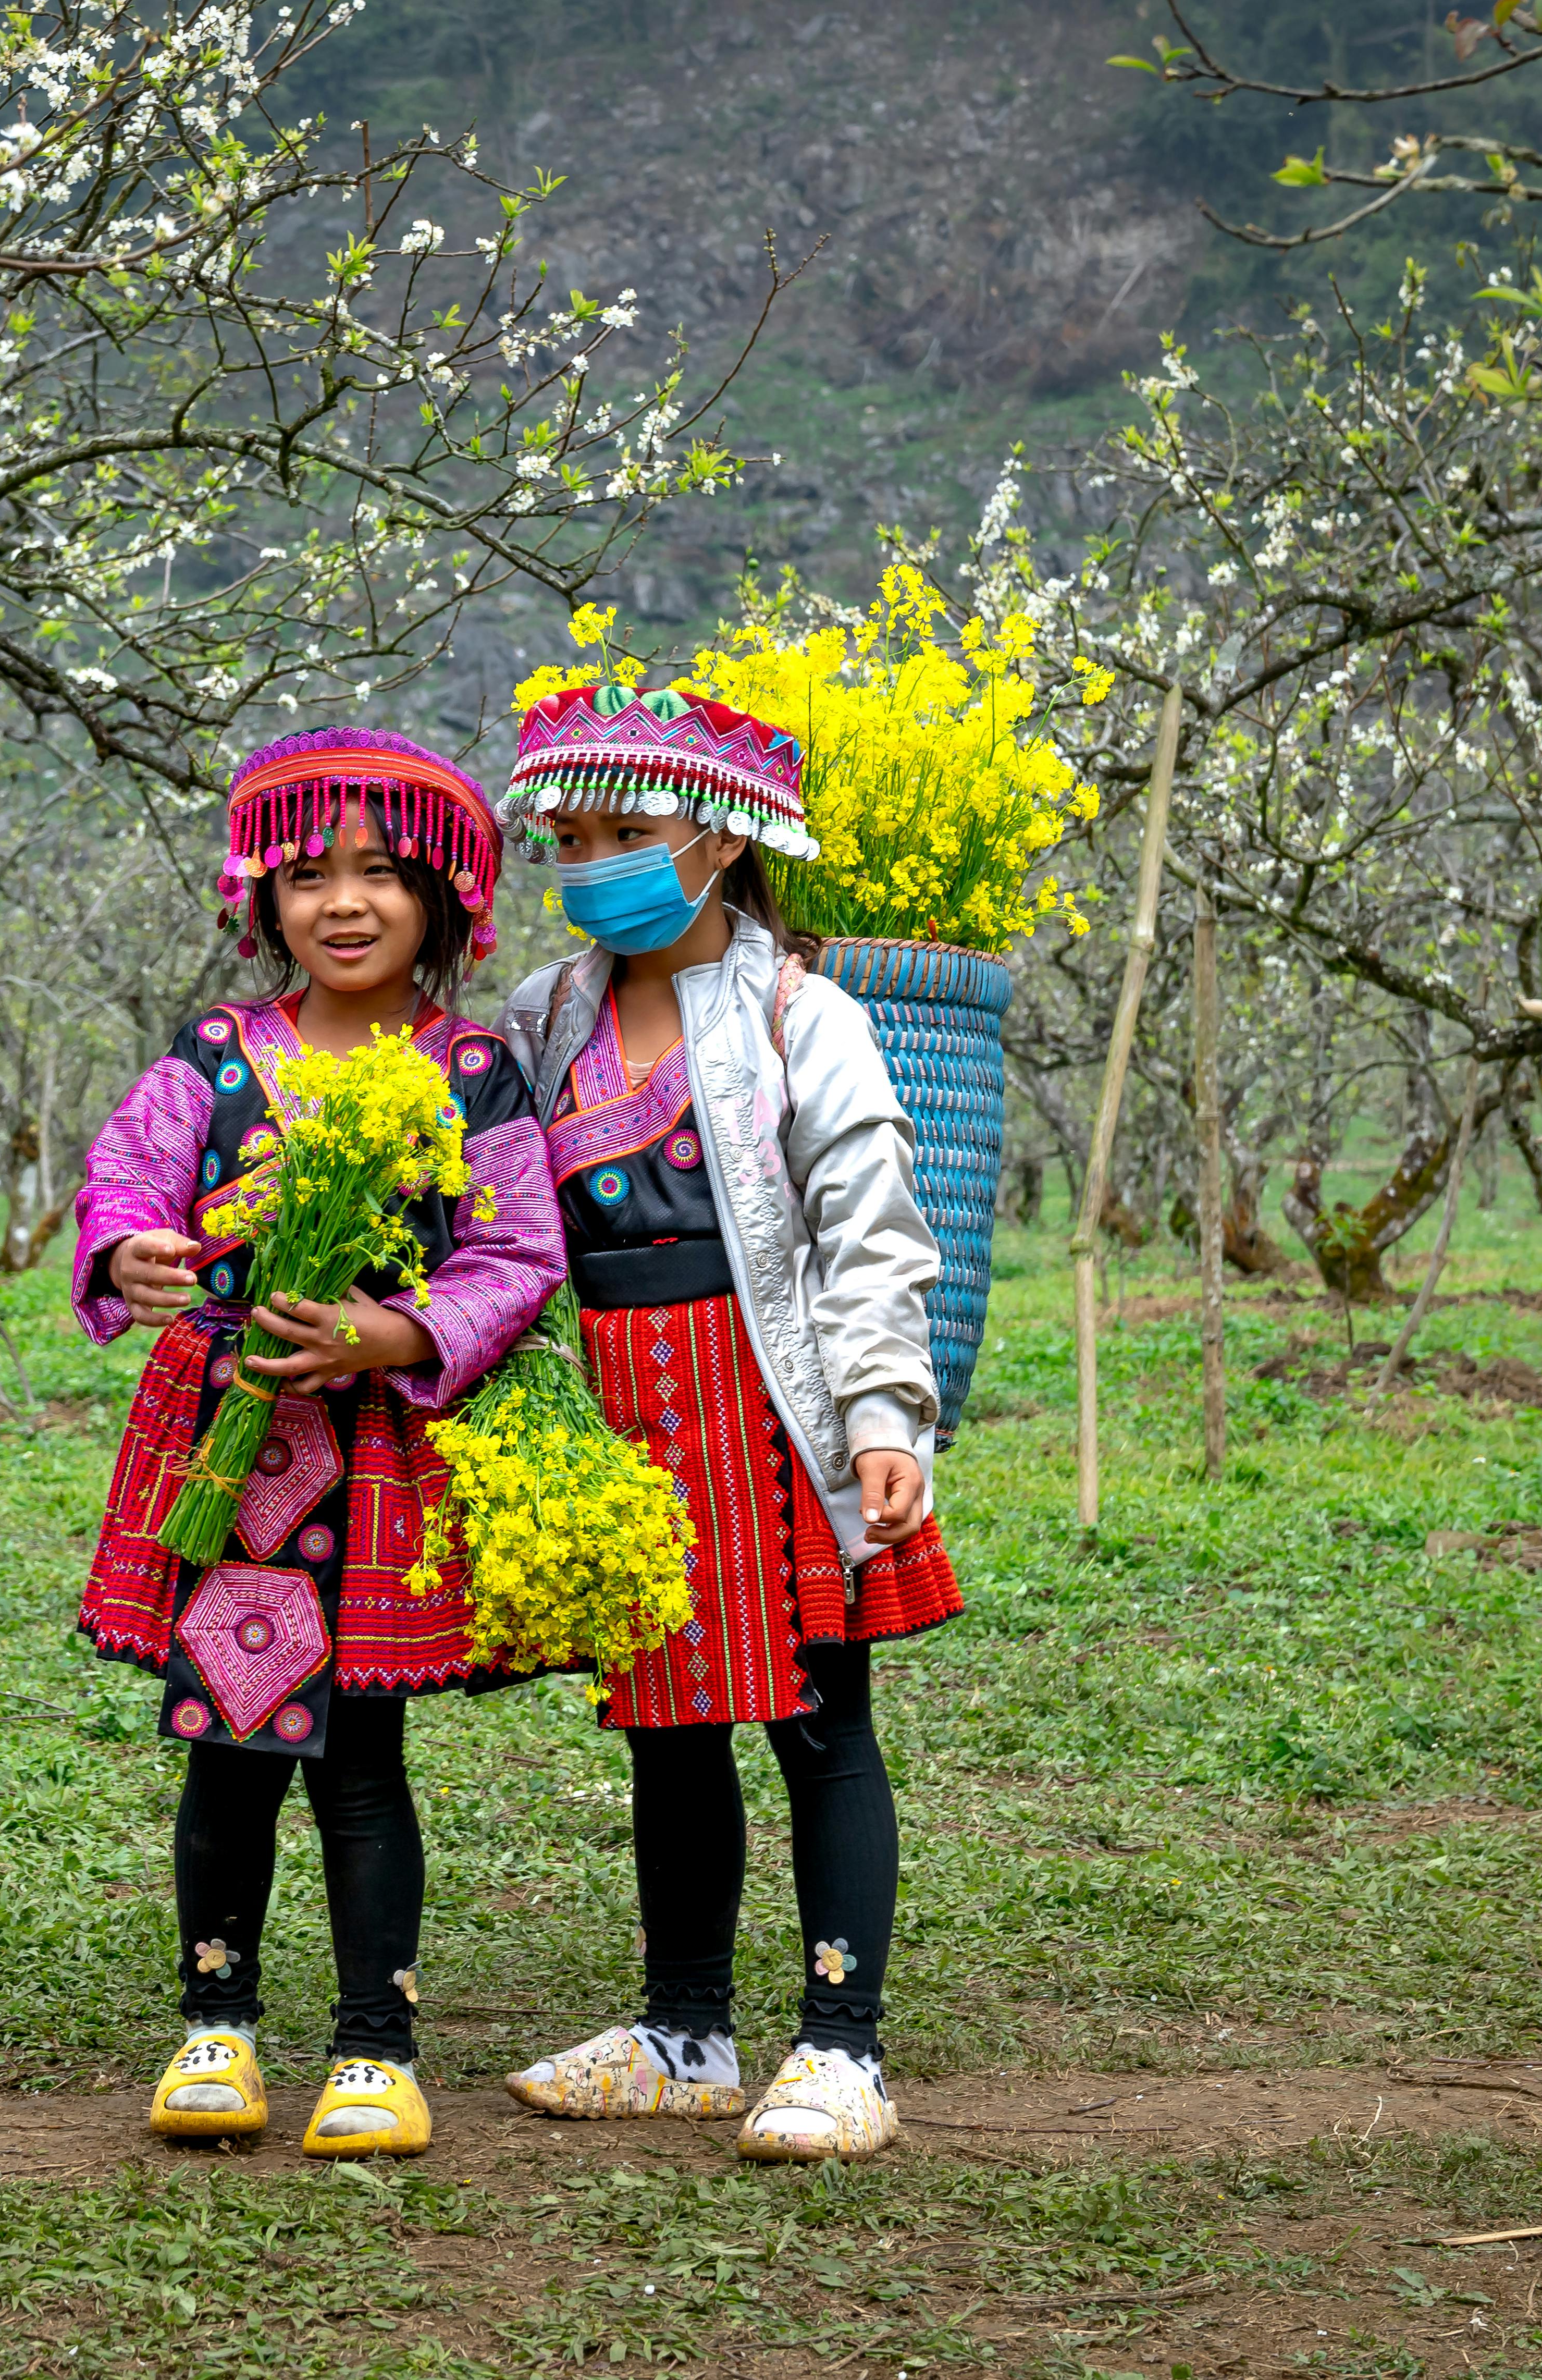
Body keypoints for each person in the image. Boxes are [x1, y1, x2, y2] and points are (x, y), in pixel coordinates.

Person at [73, 730, 563, 2158]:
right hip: (229, 1453)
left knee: (361, 1759)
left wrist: (399, 1337)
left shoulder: (473, 1071)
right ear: (263, 900)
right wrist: (138, 1255)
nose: (342, 905)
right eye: (308, 877)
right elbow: (126, 1177)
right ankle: (214, 2030)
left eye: (379, 874)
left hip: (380, 1461)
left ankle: (375, 2049)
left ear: (442, 899)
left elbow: (519, 1250)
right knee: (222, 1746)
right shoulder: (217, 1059)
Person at [491, 685, 959, 2162]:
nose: (593, 862)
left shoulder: (797, 1016)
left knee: (820, 1721)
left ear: (721, 838)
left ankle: (842, 2047)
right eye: (571, 838)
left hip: (771, 1403)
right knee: (667, 1731)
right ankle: (687, 2033)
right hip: (620, 1416)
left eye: (629, 832)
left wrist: (883, 1410)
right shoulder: (544, 1016)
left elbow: (867, 1228)